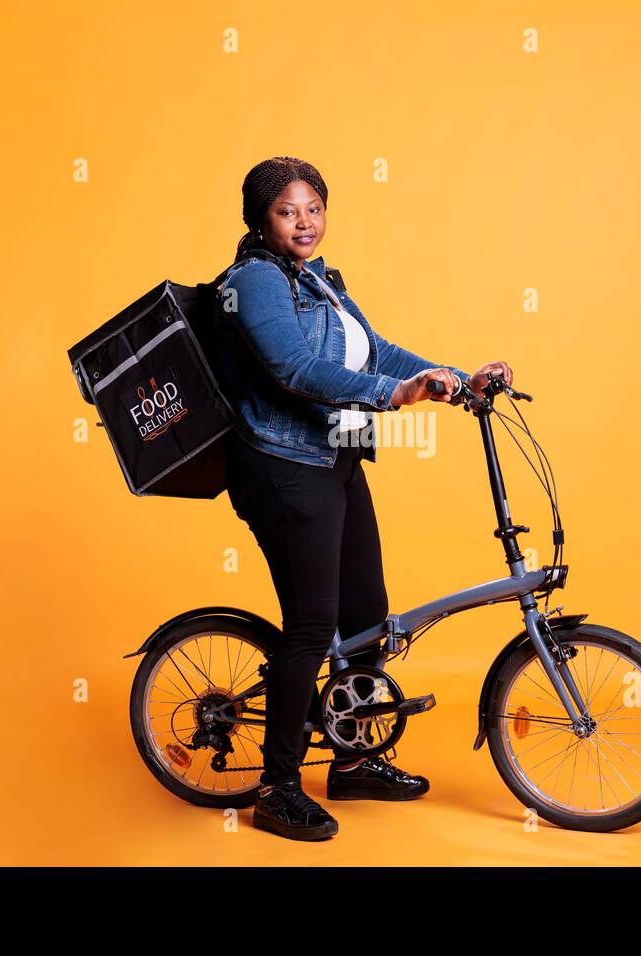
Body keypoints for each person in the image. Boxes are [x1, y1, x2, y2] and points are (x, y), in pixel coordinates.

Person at [211, 156, 513, 841]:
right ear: (261, 218)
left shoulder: (321, 280)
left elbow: (377, 352)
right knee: (313, 628)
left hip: (336, 460)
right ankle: (277, 789)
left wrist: (461, 383)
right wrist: (391, 397)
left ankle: (352, 761)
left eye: (313, 208)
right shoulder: (254, 280)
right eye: (289, 211)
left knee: (366, 617)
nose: (304, 222)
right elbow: (293, 367)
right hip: (284, 467)